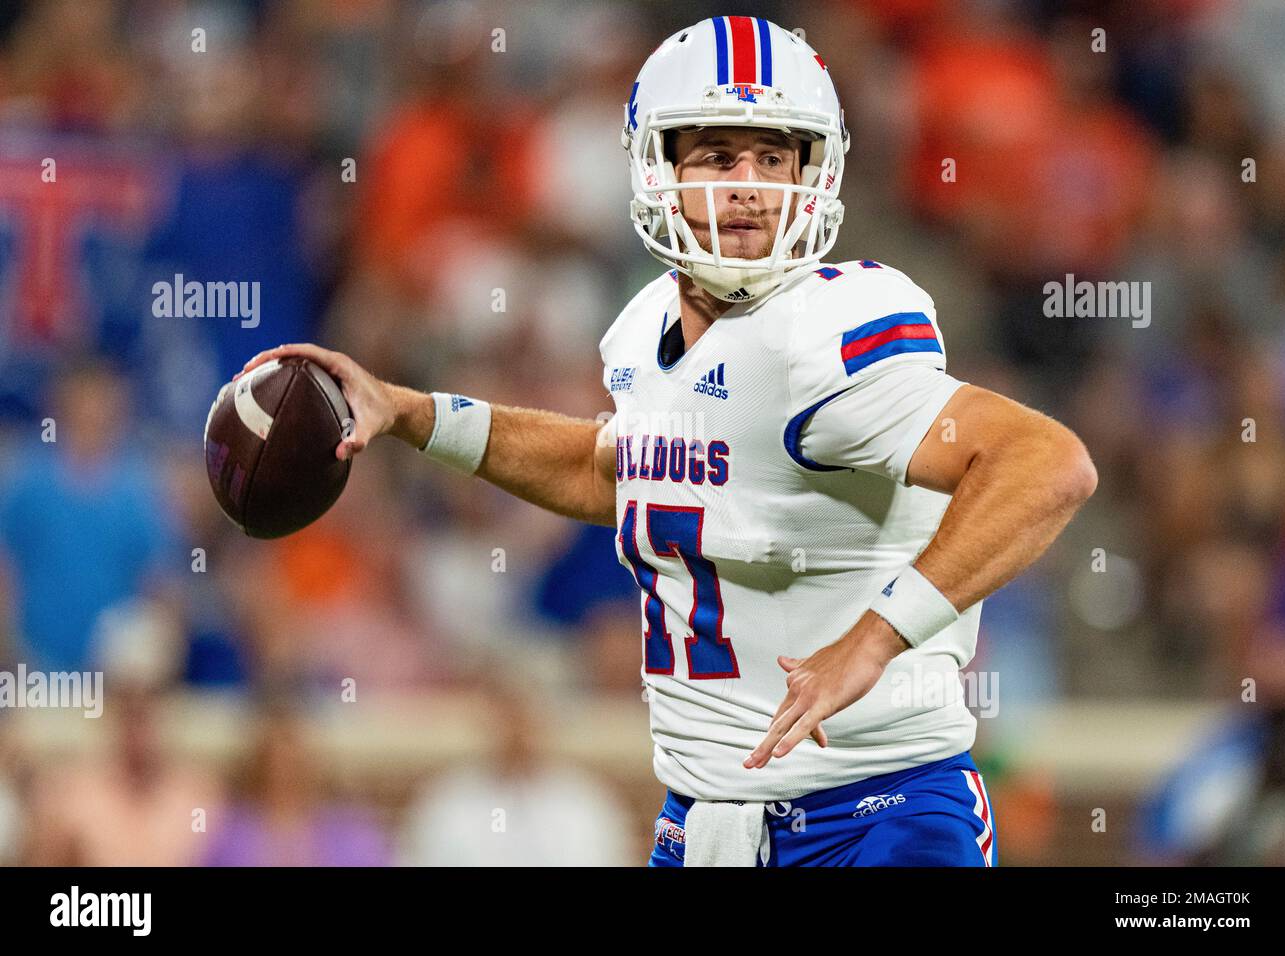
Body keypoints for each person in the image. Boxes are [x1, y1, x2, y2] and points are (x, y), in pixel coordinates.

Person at [238, 18, 1096, 867]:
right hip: (705, 825)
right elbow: (608, 467)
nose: (752, 185)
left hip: (877, 813)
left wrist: (875, 637)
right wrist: (414, 414)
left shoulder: (829, 330)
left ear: (817, 171)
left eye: (776, 157)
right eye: (720, 156)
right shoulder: (643, 332)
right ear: (659, 171)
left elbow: (1045, 463)